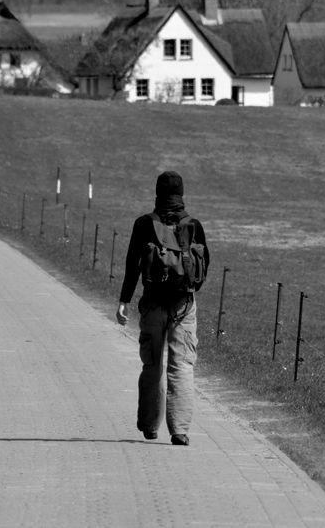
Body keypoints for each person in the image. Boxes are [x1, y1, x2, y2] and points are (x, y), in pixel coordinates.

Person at [116, 171, 210, 446]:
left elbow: (133, 263)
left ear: (157, 194)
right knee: (181, 364)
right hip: (184, 304)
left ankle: (149, 424)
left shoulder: (144, 224)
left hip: (153, 303)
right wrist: (189, 290)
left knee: (152, 364)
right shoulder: (194, 224)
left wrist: (124, 300)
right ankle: (179, 430)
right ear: (182, 195)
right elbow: (205, 266)